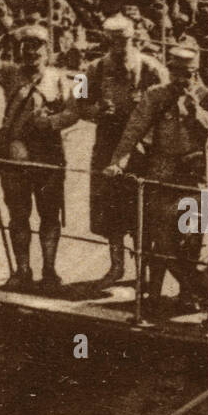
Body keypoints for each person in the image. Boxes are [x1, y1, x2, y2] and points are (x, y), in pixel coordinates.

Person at [103, 47, 208, 316]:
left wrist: (197, 112)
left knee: (192, 238)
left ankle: (187, 294)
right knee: (158, 237)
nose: (182, 79)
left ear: (196, 73)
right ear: (170, 71)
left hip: (195, 177)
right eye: (177, 73)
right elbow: (134, 129)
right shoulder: (155, 95)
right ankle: (154, 292)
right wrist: (118, 161)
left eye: (188, 74)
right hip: (162, 173)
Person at [0, 23, 78, 292]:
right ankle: (22, 270)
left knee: (49, 216)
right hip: (15, 156)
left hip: (48, 156)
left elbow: (74, 111)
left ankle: (49, 270)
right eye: (27, 47)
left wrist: (50, 123)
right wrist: (3, 38)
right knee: (18, 215)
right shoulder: (12, 74)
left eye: (38, 48)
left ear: (47, 51)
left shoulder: (59, 78)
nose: (32, 53)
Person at [76, 15, 168, 286]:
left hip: (143, 149)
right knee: (109, 210)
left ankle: (144, 272)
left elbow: (167, 105)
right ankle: (117, 267)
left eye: (124, 42)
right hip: (106, 146)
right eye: (113, 42)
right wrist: (96, 111)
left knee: (143, 210)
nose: (119, 48)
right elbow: (77, 104)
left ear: (133, 39)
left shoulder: (153, 69)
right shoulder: (90, 69)